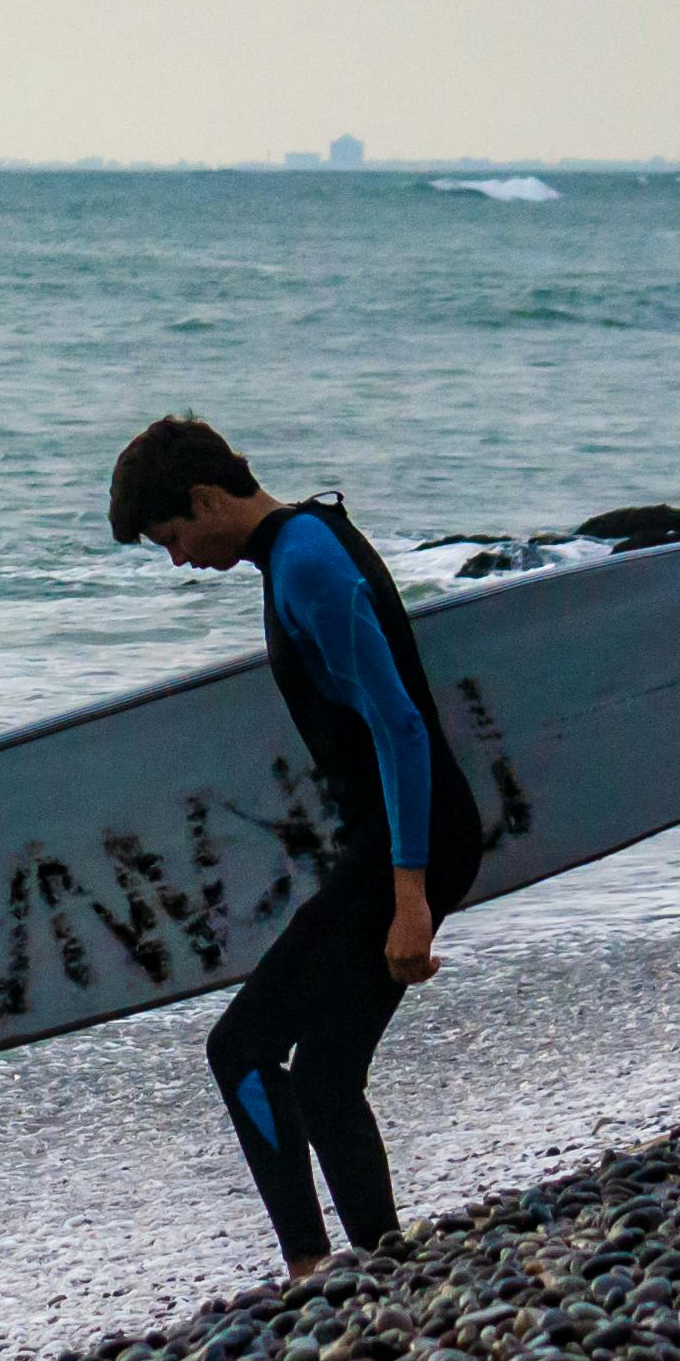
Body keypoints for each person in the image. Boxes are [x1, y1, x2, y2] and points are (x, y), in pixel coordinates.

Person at [108, 416, 483, 1279]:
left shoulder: (307, 562)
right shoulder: (303, 543)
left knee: (239, 1049)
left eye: (173, 537)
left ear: (205, 499)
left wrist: (410, 896)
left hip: (404, 850)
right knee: (323, 1073)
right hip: (403, 842)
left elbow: (400, 726)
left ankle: (310, 1267)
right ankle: (383, 1261)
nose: (178, 561)